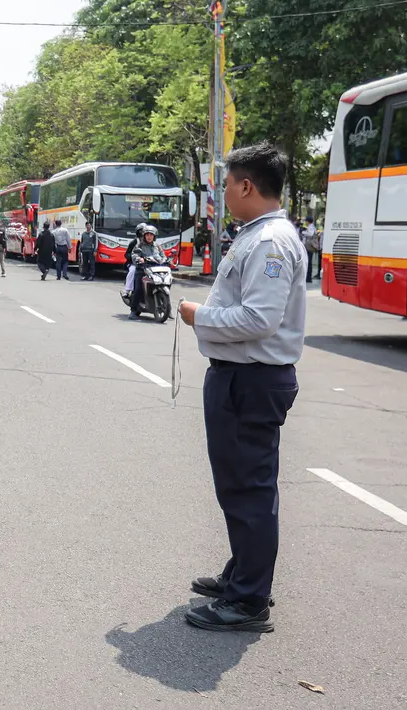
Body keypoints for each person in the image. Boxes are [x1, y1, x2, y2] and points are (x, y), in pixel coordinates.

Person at [177, 142, 306, 633]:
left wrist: (198, 315)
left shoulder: (270, 242)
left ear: (247, 185)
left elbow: (259, 317)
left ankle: (249, 600)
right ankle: (242, 577)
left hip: (250, 380)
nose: (223, 193)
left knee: (248, 490)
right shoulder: (258, 235)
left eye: (227, 184)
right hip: (239, 377)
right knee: (237, 486)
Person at [127, 225, 164, 320]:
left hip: (156, 270)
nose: (149, 236)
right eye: (147, 234)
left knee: (165, 283)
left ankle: (167, 307)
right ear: (144, 235)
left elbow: (163, 256)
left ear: (154, 236)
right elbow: (134, 255)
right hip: (143, 270)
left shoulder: (157, 246)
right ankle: (133, 310)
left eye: (151, 234)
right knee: (139, 289)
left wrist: (167, 260)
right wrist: (139, 259)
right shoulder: (139, 245)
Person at [300, 218, 319, 283]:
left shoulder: (311, 227)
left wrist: (303, 232)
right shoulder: (311, 227)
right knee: (308, 261)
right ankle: (308, 278)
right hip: (309, 246)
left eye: (306, 221)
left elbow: (310, 234)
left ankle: (308, 278)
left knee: (308, 262)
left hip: (309, 247)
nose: (305, 222)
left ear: (308, 221)